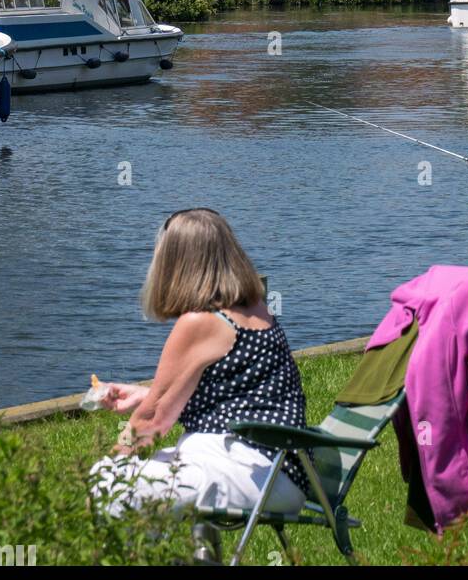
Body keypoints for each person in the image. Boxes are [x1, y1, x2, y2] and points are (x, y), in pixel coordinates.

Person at [88, 208, 307, 521]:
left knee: (108, 484)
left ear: (176, 263)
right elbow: (233, 389)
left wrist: (112, 460)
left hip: (253, 472)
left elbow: (154, 419)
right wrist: (144, 394)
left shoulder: (200, 322)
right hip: (285, 470)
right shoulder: (255, 308)